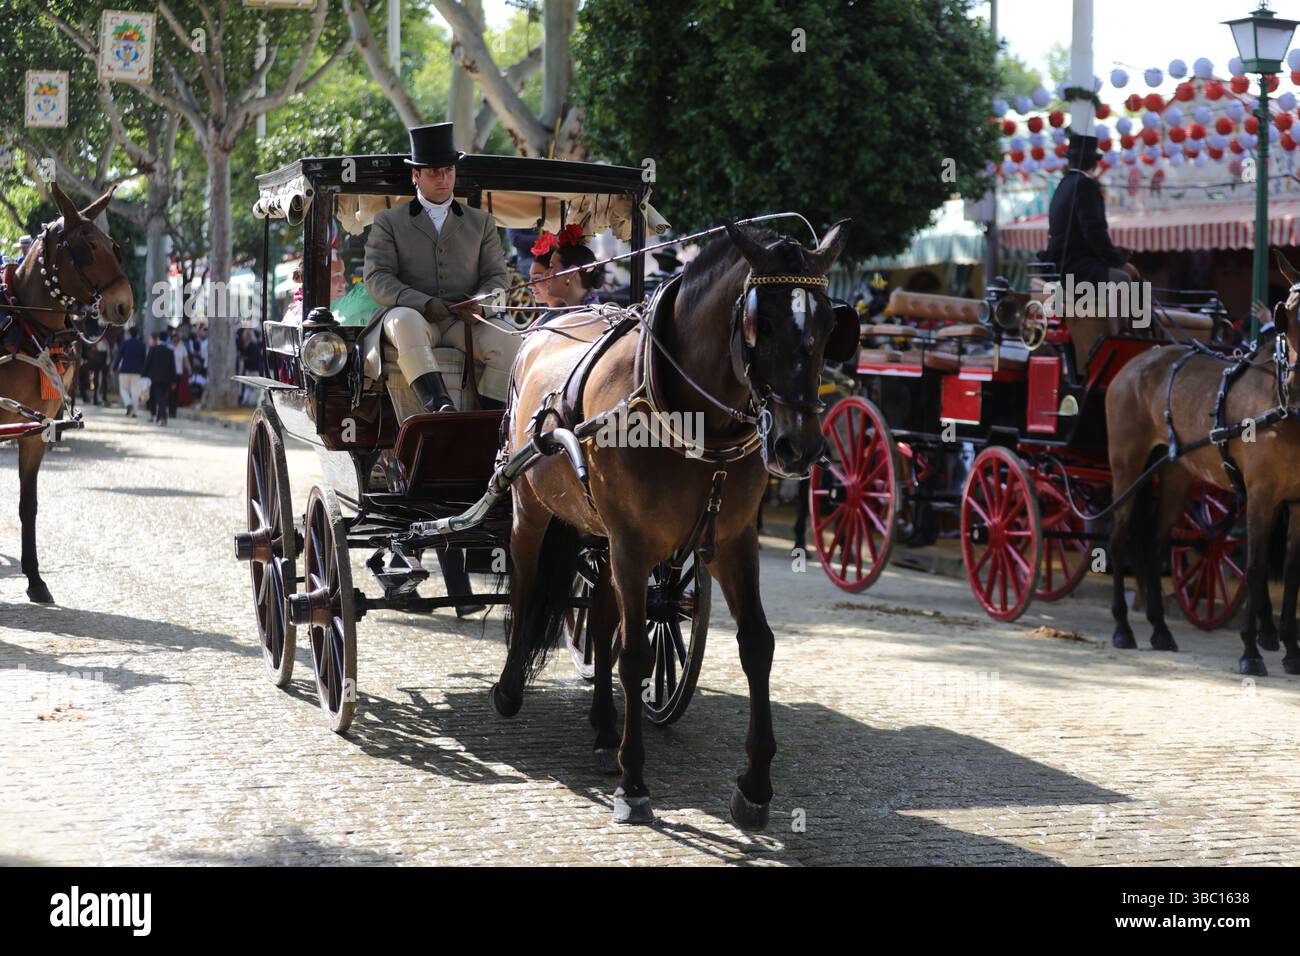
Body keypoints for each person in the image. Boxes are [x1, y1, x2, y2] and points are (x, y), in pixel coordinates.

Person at [363, 122, 512, 415]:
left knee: (509, 338)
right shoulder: (389, 222)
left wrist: (480, 307)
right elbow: (377, 278)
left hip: (464, 322)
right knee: (404, 320)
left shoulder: (481, 222)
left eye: (448, 170)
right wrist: (424, 303)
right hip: (415, 318)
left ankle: (492, 419)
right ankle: (437, 403)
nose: (443, 178)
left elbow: (498, 278)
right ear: (416, 175)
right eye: (433, 171)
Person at [1044, 132, 1140, 336]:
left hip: (1064, 261)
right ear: (1094, 164)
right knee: (1122, 278)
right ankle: (1122, 335)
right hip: (1074, 265)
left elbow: (1084, 233)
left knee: (1130, 271)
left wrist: (1114, 253)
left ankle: (1136, 326)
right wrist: (1114, 258)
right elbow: (1093, 231)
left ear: (1070, 160)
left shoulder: (1064, 185)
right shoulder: (1085, 185)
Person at [529, 224, 604, 318]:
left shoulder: (587, 318)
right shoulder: (574, 313)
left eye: (551, 266)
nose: (547, 274)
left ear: (571, 273)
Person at [144, 330, 177, 425]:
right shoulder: (170, 351)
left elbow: (147, 364)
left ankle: (163, 417)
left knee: (159, 398)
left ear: (158, 338)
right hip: (166, 379)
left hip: (155, 378)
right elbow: (172, 367)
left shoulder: (153, 350)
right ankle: (159, 418)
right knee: (162, 398)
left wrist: (143, 374)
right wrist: (174, 381)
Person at [114, 326, 147, 418]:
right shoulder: (142, 344)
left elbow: (119, 356)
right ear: (137, 333)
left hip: (125, 370)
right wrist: (144, 371)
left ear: (129, 333)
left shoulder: (125, 343)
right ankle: (135, 412)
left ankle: (128, 403)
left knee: (123, 389)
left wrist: (114, 368)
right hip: (137, 371)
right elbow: (144, 359)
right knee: (135, 392)